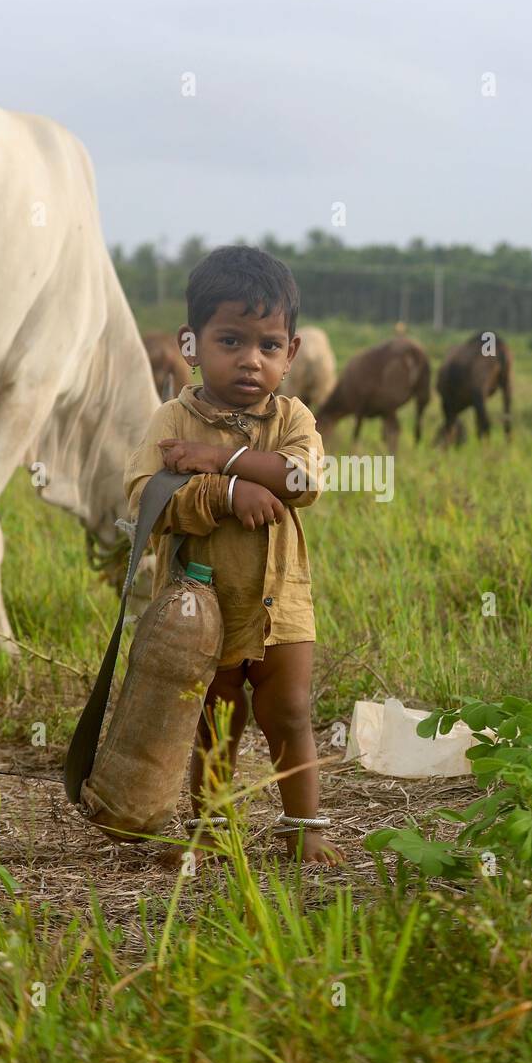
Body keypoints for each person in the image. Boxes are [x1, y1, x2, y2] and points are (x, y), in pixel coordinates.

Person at [124, 245, 343, 865]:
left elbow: (303, 483)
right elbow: (147, 499)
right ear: (190, 344)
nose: (251, 360)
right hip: (201, 607)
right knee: (215, 720)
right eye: (231, 341)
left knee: (290, 711)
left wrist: (226, 461)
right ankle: (213, 829)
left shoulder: (293, 418)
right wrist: (224, 496)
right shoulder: (172, 416)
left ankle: (306, 825)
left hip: (282, 605)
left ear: (291, 352)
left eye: (269, 346)